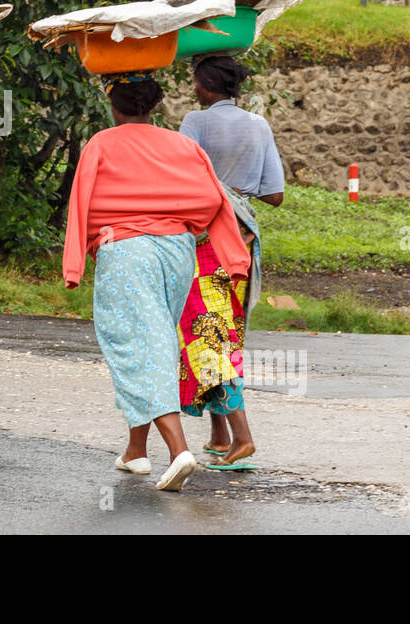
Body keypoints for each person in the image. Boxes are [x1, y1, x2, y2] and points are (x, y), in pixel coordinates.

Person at [63, 72, 249, 491]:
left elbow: (80, 201)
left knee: (137, 345)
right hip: (178, 251)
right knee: (157, 340)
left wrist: (73, 265)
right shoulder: (184, 146)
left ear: (114, 105)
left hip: (128, 253)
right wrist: (234, 258)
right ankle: (135, 451)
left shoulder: (101, 143)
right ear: (154, 105)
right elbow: (217, 202)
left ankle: (179, 450)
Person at [175, 55, 285, 467]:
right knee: (225, 334)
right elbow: (275, 195)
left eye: (195, 82)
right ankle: (219, 436)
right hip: (244, 238)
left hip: (208, 237)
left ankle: (242, 437)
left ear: (206, 86)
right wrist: (237, 187)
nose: (193, 89)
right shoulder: (259, 125)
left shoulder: (195, 122)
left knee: (206, 335)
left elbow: (181, 177)